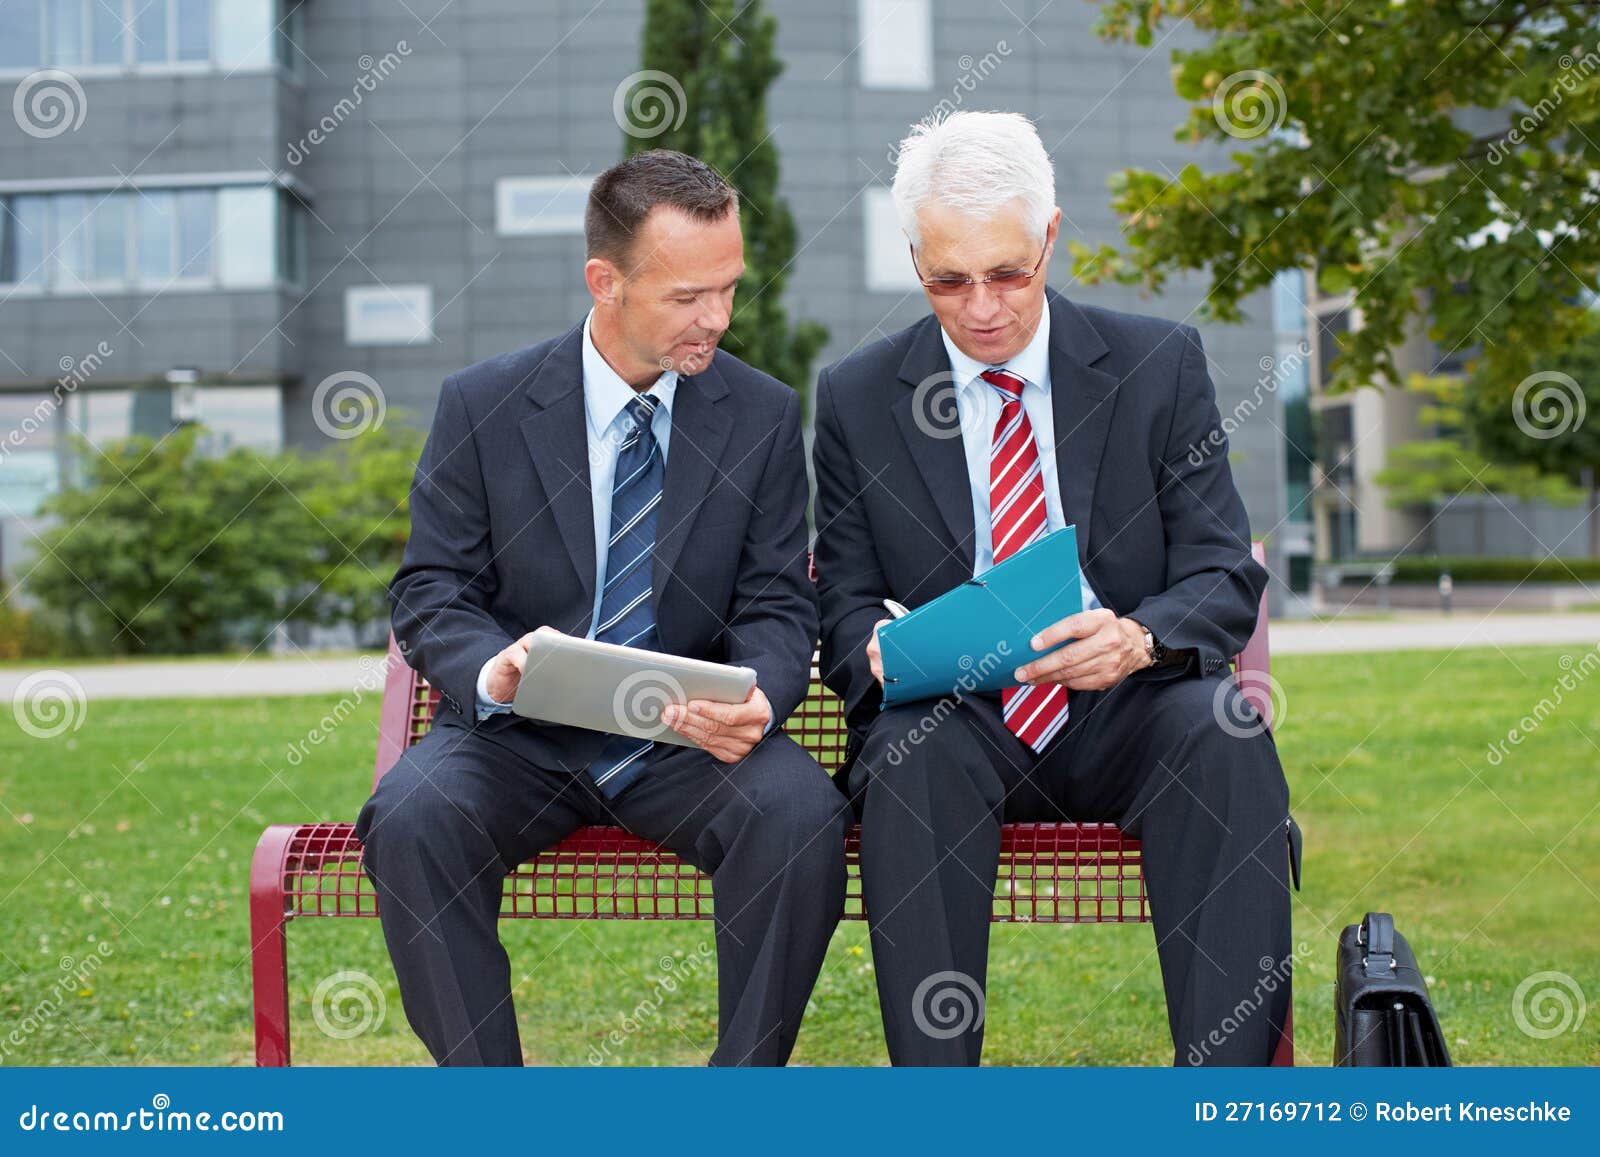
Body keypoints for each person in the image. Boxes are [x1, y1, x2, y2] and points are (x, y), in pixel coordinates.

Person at [812, 111, 1297, 1066]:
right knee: (911, 752)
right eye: (948, 279)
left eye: (1007, 273)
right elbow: (843, 601)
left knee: (1225, 732)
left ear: (1050, 238)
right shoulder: (860, 396)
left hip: (1129, 707)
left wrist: (1139, 639)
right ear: (915, 257)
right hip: (960, 716)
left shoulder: (1158, 367)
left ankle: (1228, 1099)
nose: (981, 306)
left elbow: (1221, 569)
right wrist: (871, 641)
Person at [356, 149, 849, 1067]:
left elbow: (779, 599)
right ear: (605, 281)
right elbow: (431, 591)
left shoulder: (762, 413)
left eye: (729, 288)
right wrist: (489, 669)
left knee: (799, 814)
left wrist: (761, 697)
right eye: (687, 296)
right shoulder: (484, 406)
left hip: (686, 739)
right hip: (518, 737)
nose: (717, 318)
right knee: (414, 817)